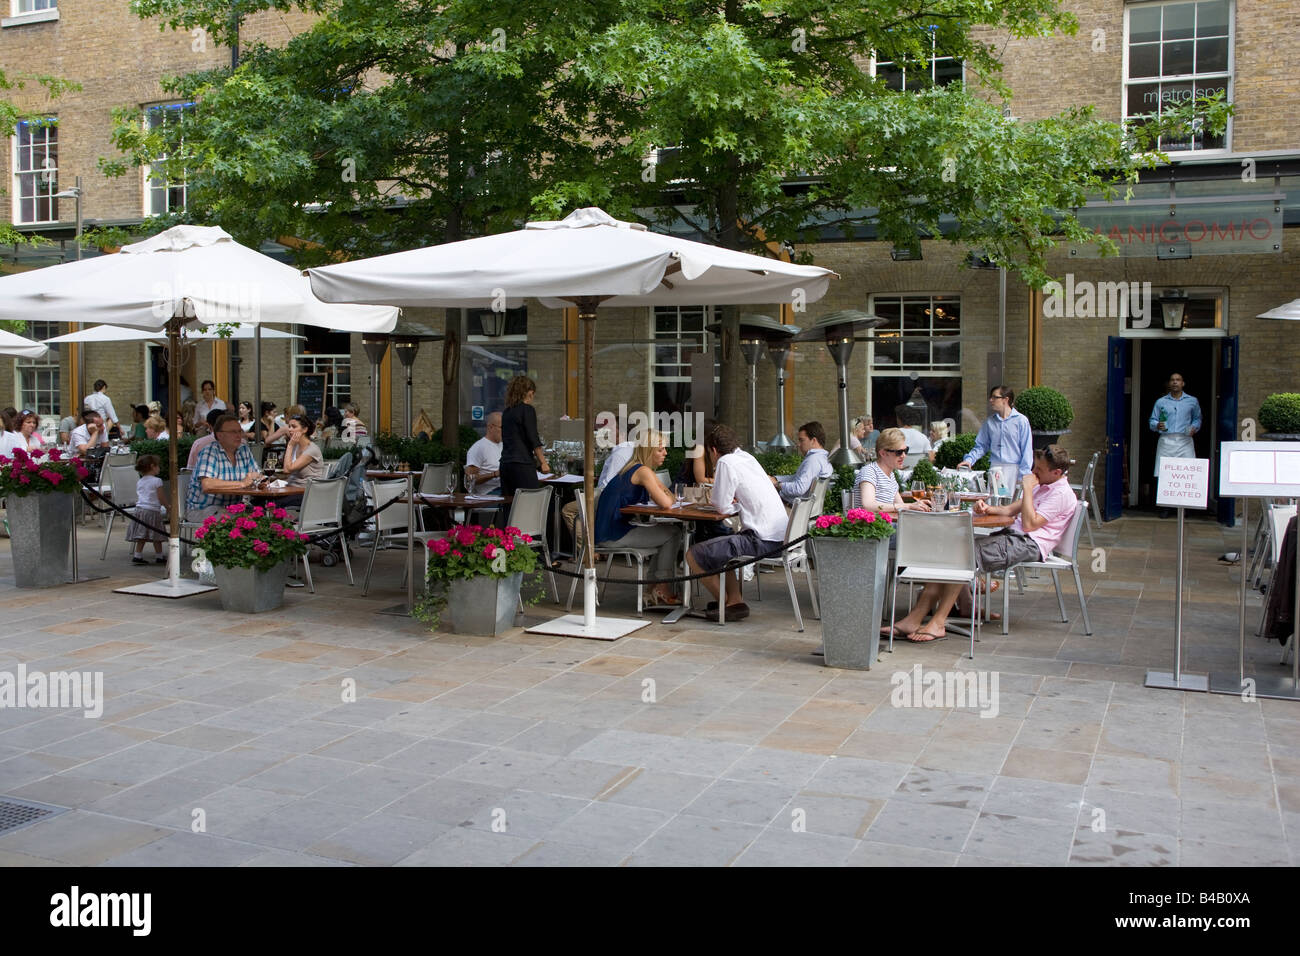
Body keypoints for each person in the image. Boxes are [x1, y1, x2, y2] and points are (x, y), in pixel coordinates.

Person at [887, 445, 1076, 644]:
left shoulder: (1061, 494)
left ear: (1056, 473)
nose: (1033, 473)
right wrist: (988, 509)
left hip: (1029, 544)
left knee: (963, 555)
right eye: (1034, 467)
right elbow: (1010, 510)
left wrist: (1027, 489)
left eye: (1039, 470)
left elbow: (1029, 525)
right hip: (1012, 536)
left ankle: (938, 622)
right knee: (952, 547)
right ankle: (920, 617)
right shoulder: (1044, 485)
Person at [685, 424, 788, 622]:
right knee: (722, 541)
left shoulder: (725, 462)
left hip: (762, 541)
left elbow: (720, 505)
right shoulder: (747, 457)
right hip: (779, 538)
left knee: (693, 555)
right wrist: (738, 504)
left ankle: (727, 605)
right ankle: (734, 600)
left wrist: (732, 504)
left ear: (714, 450)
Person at [592, 431, 683, 607]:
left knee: (667, 534)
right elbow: (666, 501)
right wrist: (667, 496)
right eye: (660, 449)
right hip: (613, 534)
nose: (665, 453)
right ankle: (661, 587)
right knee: (672, 534)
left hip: (611, 529)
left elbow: (669, 495)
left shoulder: (636, 467)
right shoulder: (643, 471)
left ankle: (653, 588)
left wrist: (667, 494)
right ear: (648, 451)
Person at [186, 413, 261, 520]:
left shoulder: (243, 450)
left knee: (262, 515)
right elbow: (207, 484)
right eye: (233, 432)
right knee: (241, 520)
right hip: (203, 509)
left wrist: (260, 478)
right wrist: (242, 483)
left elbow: (256, 475)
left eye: (239, 431)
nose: (238, 435)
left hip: (233, 508)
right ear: (220, 435)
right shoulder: (210, 452)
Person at [1149, 372, 1202, 519]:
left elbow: (1198, 419)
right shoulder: (1161, 402)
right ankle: (1165, 507)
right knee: (1164, 473)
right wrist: (1156, 425)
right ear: (1169, 384)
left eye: (1178, 380)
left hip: (1185, 440)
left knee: (1186, 472)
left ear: (1183, 383)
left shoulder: (1192, 401)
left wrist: (1194, 428)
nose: (1175, 382)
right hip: (1166, 439)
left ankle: (1184, 507)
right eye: (1172, 380)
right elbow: (1152, 421)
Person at [960, 385, 1033, 489]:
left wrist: (1023, 475)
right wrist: (969, 460)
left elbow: (1026, 450)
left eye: (995, 397)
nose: (991, 400)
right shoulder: (989, 422)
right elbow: (981, 446)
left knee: (1012, 503)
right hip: (995, 469)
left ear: (1005, 399)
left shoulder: (1021, 421)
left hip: (1014, 470)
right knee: (993, 503)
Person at [854, 427, 933, 514]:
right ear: (883, 453)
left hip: (887, 525)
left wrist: (916, 505)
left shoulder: (890, 475)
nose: (903, 455)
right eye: (899, 452)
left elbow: (900, 506)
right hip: (871, 526)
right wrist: (908, 506)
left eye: (905, 450)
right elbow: (868, 505)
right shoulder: (870, 471)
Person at [499, 375, 549, 496]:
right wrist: (543, 462)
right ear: (530, 393)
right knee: (529, 501)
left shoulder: (507, 412)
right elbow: (533, 437)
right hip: (522, 464)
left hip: (505, 464)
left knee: (509, 505)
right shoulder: (527, 410)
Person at [771, 421, 833, 506]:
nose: (798, 444)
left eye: (801, 440)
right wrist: (776, 479)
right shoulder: (821, 458)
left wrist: (777, 484)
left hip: (792, 510)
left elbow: (799, 488)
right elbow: (796, 478)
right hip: (804, 510)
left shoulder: (813, 460)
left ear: (813, 440)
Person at [126, 454, 168, 565]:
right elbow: (161, 497)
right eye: (158, 466)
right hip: (152, 510)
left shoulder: (140, 481)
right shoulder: (157, 481)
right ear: (153, 466)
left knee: (141, 534)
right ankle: (159, 555)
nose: (159, 468)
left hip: (140, 510)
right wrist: (168, 506)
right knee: (157, 535)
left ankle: (138, 555)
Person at [282, 414, 326, 488]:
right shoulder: (295, 445)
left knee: (272, 500)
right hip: (292, 487)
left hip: (306, 492)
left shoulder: (312, 449)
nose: (290, 429)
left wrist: (290, 446)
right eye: (289, 426)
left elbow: (287, 470)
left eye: (294, 427)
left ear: (305, 429)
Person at [464, 411, 503, 495]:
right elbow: (470, 479)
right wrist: (494, 474)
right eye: (502, 427)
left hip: (505, 488)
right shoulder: (478, 448)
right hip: (488, 493)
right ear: (490, 427)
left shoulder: (504, 445)